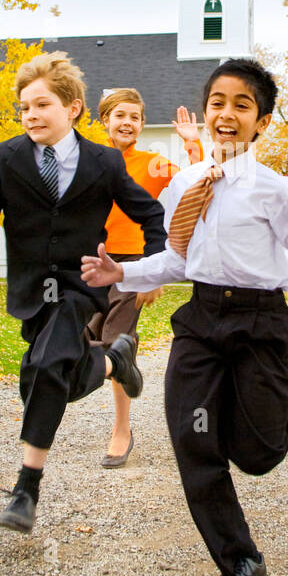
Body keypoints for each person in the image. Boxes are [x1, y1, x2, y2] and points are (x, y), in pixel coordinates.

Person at [81, 57, 288, 576]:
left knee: (258, 452)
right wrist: (122, 271)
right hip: (200, 321)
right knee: (192, 440)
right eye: (217, 103)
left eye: (242, 105)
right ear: (204, 113)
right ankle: (241, 564)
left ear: (262, 121)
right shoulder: (185, 185)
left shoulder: (278, 191)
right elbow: (175, 260)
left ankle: (265, 426)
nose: (227, 113)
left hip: (260, 322)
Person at [0, 51, 166, 534]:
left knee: (50, 366)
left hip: (80, 285)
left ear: (72, 108)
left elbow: (151, 217)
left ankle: (26, 487)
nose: (30, 115)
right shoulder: (3, 157)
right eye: (24, 107)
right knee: (38, 378)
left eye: (41, 104)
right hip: (32, 292)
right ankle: (115, 360)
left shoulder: (103, 161)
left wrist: (149, 271)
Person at [87, 89, 203, 468]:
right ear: (105, 119)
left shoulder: (152, 164)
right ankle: (123, 367)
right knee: (83, 343)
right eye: (120, 115)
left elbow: (197, 186)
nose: (128, 123)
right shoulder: (87, 161)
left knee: (115, 341)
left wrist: (193, 146)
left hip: (133, 264)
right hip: (90, 264)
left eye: (135, 117)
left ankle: (121, 430)